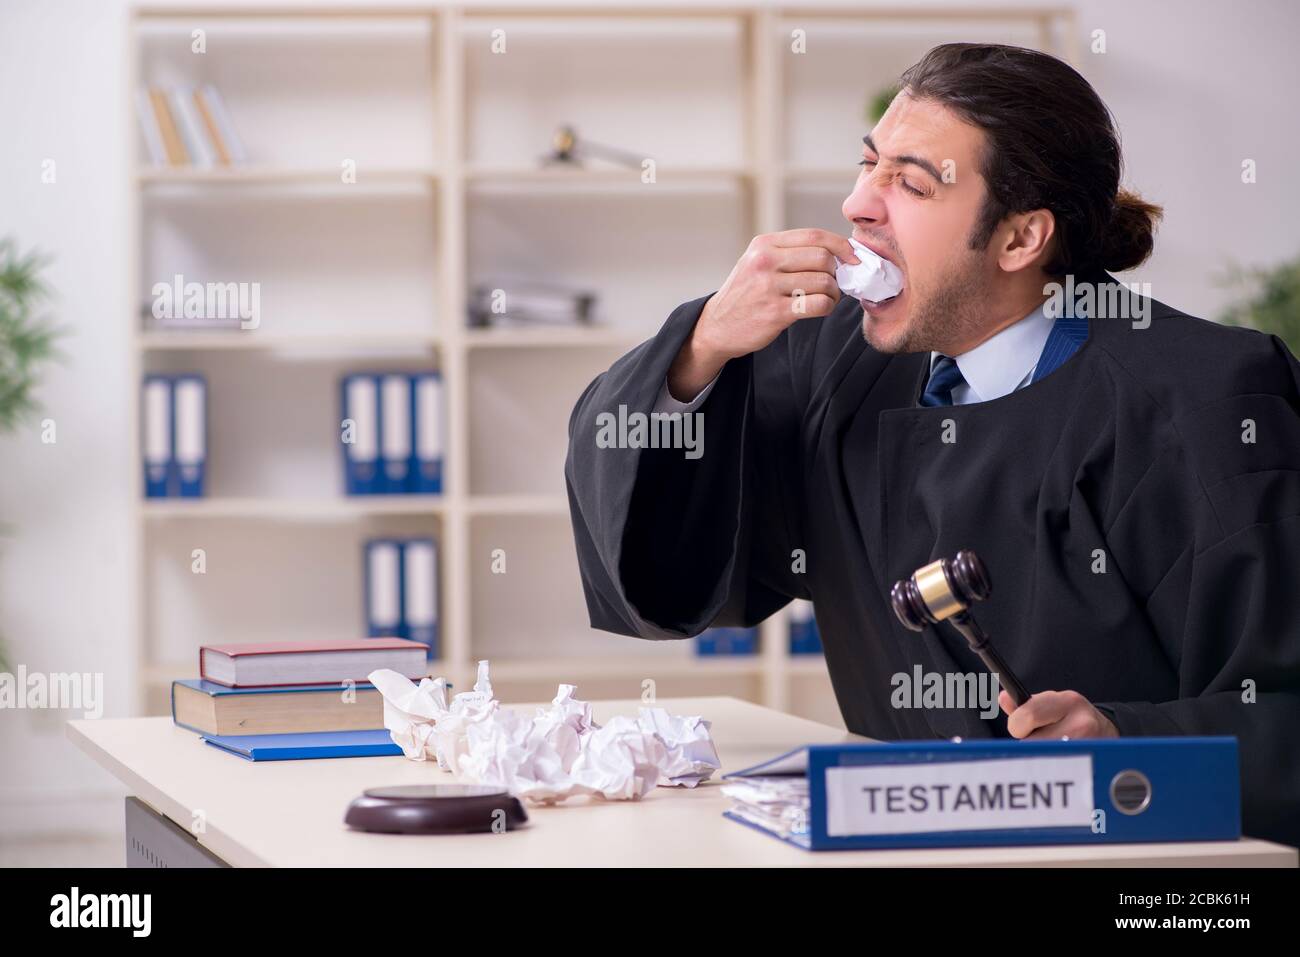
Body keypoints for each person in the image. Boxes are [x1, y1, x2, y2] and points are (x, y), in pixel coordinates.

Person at [563, 43, 1300, 846]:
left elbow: (1281, 718)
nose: (857, 205)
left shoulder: (1203, 399)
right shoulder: (835, 361)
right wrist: (700, 348)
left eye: (911, 184)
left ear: (1021, 239)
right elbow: (677, 565)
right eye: (867, 165)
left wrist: (1126, 737)